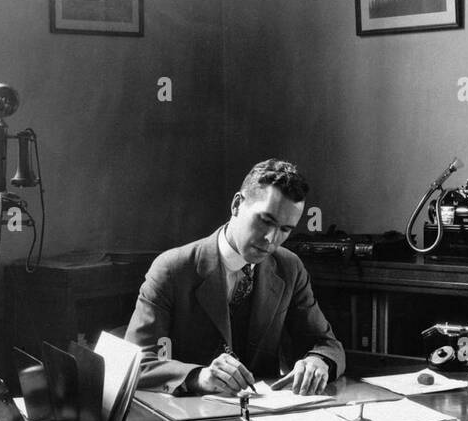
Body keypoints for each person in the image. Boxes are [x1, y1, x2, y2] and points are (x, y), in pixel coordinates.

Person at [126, 159, 345, 397]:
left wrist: (319, 362)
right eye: (266, 221)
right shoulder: (172, 268)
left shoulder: (289, 267)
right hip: (187, 416)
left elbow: (327, 344)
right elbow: (136, 362)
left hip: (264, 419)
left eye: (285, 229)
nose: (271, 239)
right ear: (237, 205)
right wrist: (199, 377)